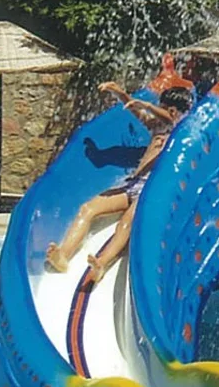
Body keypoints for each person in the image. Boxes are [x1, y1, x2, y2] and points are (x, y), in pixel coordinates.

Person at [45, 82, 194, 283]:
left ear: (175, 111)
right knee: (88, 209)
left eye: (164, 107)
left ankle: (101, 264)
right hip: (132, 184)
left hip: (151, 190)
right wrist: (119, 92)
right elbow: (135, 109)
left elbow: (170, 119)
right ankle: (64, 254)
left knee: (126, 224)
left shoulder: (183, 134)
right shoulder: (158, 128)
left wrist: (148, 105)